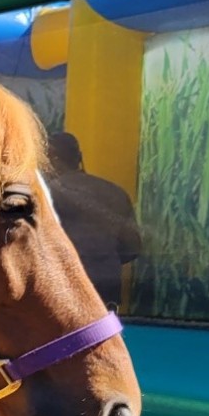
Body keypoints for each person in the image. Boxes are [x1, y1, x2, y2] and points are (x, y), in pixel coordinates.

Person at [46, 131, 142, 309]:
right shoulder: (115, 192)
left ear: (49, 159)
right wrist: (102, 260)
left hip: (63, 291)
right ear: (80, 157)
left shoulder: (47, 195)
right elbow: (133, 247)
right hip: (107, 289)